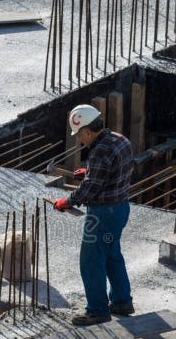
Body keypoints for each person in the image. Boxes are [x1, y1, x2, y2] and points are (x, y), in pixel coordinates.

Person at [54, 104, 134, 326]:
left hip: (102, 214)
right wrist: (89, 172)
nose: (79, 139)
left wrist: (66, 202)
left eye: (79, 134)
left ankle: (98, 310)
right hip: (120, 210)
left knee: (90, 260)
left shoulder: (99, 152)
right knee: (111, 254)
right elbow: (115, 170)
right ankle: (121, 301)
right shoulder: (120, 139)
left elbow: (89, 190)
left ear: (88, 130)